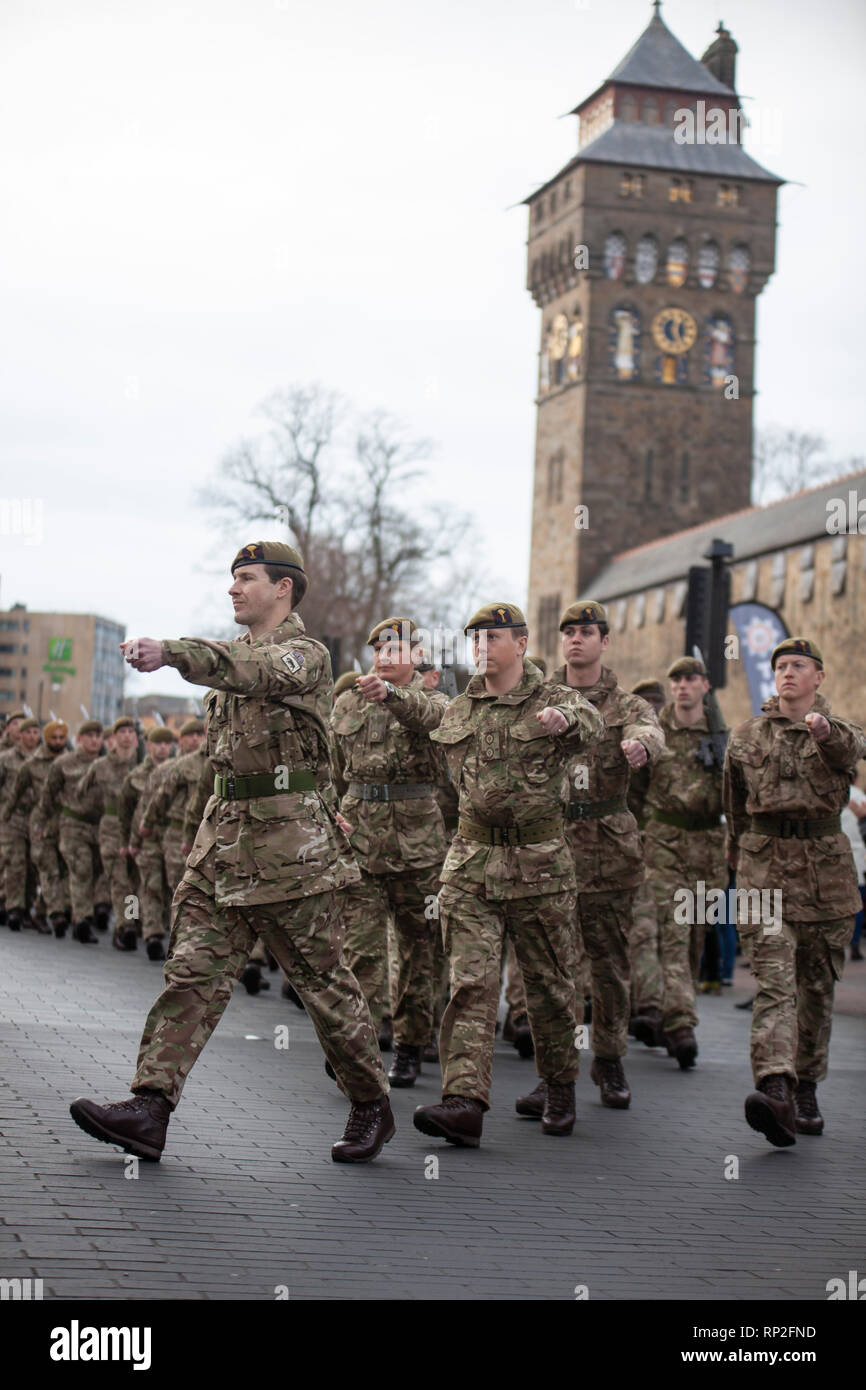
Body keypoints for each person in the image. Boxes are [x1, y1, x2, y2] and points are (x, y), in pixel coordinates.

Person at [70, 540, 393, 1165]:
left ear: (284, 589)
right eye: (232, 578)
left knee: (323, 985)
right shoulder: (232, 659)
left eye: (246, 578)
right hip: (222, 845)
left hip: (290, 849)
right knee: (191, 975)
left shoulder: (304, 657)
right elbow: (222, 760)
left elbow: (253, 673)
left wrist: (173, 653)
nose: (234, 588)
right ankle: (150, 1107)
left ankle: (370, 1102)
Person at [412, 602, 603, 1147]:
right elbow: (449, 788)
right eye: (476, 638)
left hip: (539, 865)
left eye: (494, 637)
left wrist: (565, 721)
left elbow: (593, 724)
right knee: (471, 984)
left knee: (548, 986)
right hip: (471, 864)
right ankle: (464, 1102)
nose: (482, 646)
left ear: (520, 644)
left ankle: (560, 1085)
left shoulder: (553, 698)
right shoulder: (458, 711)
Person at [514, 602, 664, 1118]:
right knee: (555, 970)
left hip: (609, 852)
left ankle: (610, 1056)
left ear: (605, 641)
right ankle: (555, 1076)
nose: (576, 640)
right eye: (569, 632)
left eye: (586, 632)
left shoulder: (626, 706)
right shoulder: (538, 696)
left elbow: (651, 730)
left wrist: (642, 745)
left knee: (609, 964)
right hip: (548, 847)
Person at [724, 637, 866, 1146]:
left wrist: (824, 732)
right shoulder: (745, 736)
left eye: (798, 666)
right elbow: (735, 806)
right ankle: (776, 1087)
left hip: (825, 877)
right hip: (765, 871)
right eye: (780, 666)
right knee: (775, 982)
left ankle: (806, 1088)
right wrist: (738, 858)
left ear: (818, 677)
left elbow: (852, 751)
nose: (787, 674)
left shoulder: (840, 732)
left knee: (816, 991)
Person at [331, 617, 448, 1087]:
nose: (386, 656)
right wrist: (330, 811)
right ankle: (357, 1050)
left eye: (397, 648)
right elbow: (332, 768)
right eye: (379, 648)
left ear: (417, 656)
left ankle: (410, 1045)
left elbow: (433, 719)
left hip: (418, 847)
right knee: (360, 953)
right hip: (360, 841)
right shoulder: (347, 702)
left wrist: (393, 696)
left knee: (420, 951)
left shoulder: (436, 701)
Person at [632, 657, 727, 1069]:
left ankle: (674, 1013)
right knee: (669, 929)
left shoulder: (722, 736)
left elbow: (736, 794)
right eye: (677, 680)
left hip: (707, 847)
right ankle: (679, 1020)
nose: (683, 686)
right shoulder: (655, 734)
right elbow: (635, 790)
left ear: (705, 685)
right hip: (663, 843)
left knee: (694, 937)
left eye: (691, 679)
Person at [38, 720, 107, 944]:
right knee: (81, 870)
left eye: (98, 736)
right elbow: (48, 795)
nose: (95, 740)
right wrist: (46, 822)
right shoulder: (64, 763)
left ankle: (74, 910)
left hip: (101, 828)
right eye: (90, 736)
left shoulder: (106, 764)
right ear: (79, 739)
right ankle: (82, 921)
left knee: (97, 873)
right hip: (73, 825)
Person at [78, 717, 140, 949]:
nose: (126, 736)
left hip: (137, 828)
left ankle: (129, 920)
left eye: (130, 732)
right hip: (111, 827)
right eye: (122, 732)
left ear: (136, 738)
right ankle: (125, 926)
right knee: (119, 879)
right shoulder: (100, 766)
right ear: (113, 738)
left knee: (133, 881)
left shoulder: (143, 764)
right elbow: (81, 793)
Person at [5, 719, 70, 933]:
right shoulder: (27, 763)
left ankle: (38, 910)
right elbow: (14, 794)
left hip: (62, 822)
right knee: (27, 865)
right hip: (30, 821)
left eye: (62, 738)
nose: (58, 742)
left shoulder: (72, 762)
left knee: (54, 869)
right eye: (54, 737)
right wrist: (4, 816)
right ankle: (19, 909)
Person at [122, 727, 177, 958]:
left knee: (170, 887)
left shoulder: (178, 769)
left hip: (171, 836)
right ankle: (134, 926)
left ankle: (161, 927)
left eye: (167, 743)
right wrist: (129, 840)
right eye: (158, 743)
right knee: (140, 885)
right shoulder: (135, 776)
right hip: (146, 837)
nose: (163, 747)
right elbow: (128, 812)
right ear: (149, 745)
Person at [0, 717, 42, 929]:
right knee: (15, 863)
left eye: (36, 732)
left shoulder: (44, 760)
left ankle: (27, 907)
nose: (32, 736)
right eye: (28, 732)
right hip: (12, 816)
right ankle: (14, 908)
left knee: (33, 864)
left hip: (35, 818)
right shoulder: (6, 758)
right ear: (20, 735)